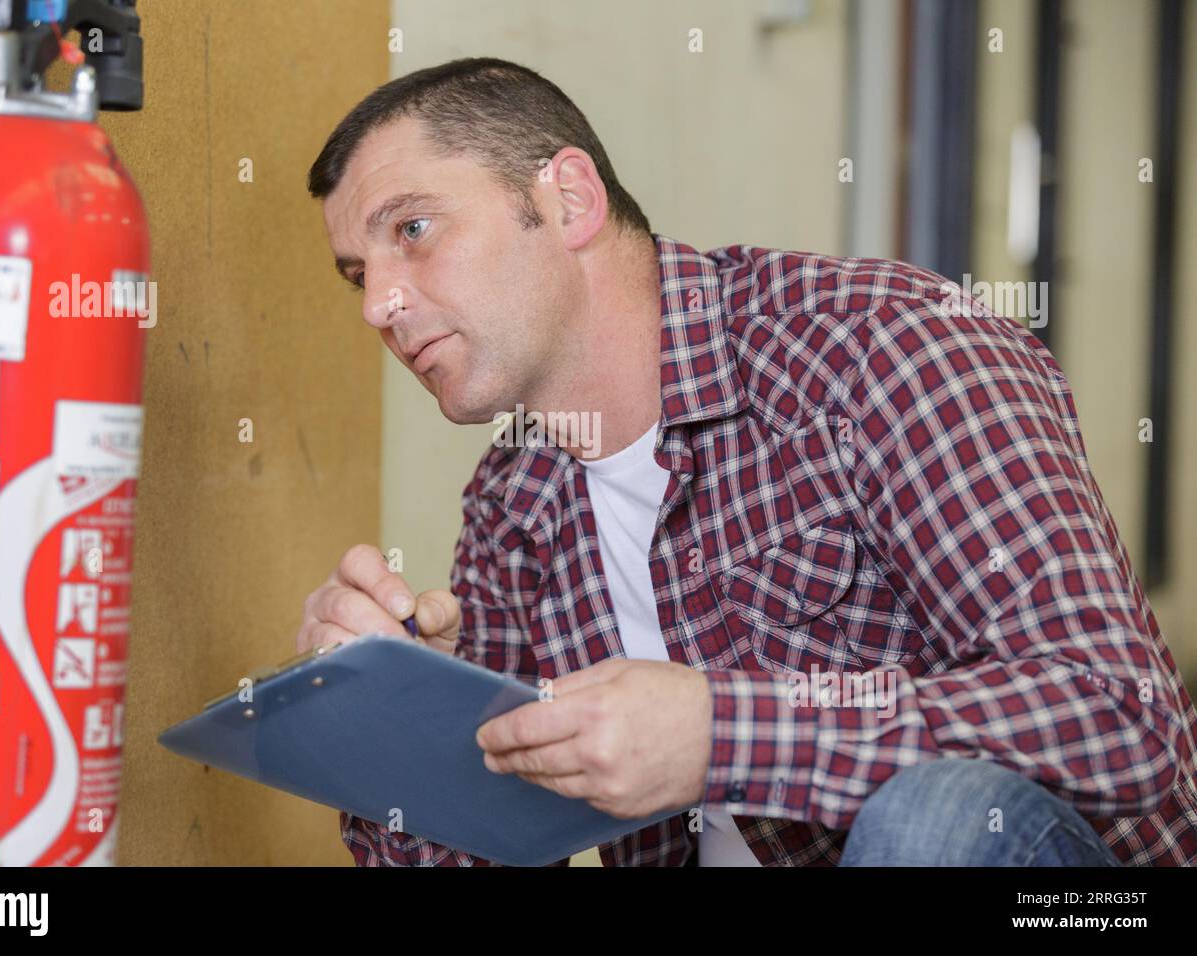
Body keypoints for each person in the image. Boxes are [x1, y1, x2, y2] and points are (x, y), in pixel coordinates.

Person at [296, 57, 1197, 866]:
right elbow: (478, 849)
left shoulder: (884, 349)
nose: (379, 304)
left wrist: (722, 734)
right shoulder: (514, 496)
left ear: (569, 200)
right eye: (354, 275)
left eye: (411, 230)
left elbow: (1117, 715)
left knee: (940, 820)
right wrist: (391, 717)